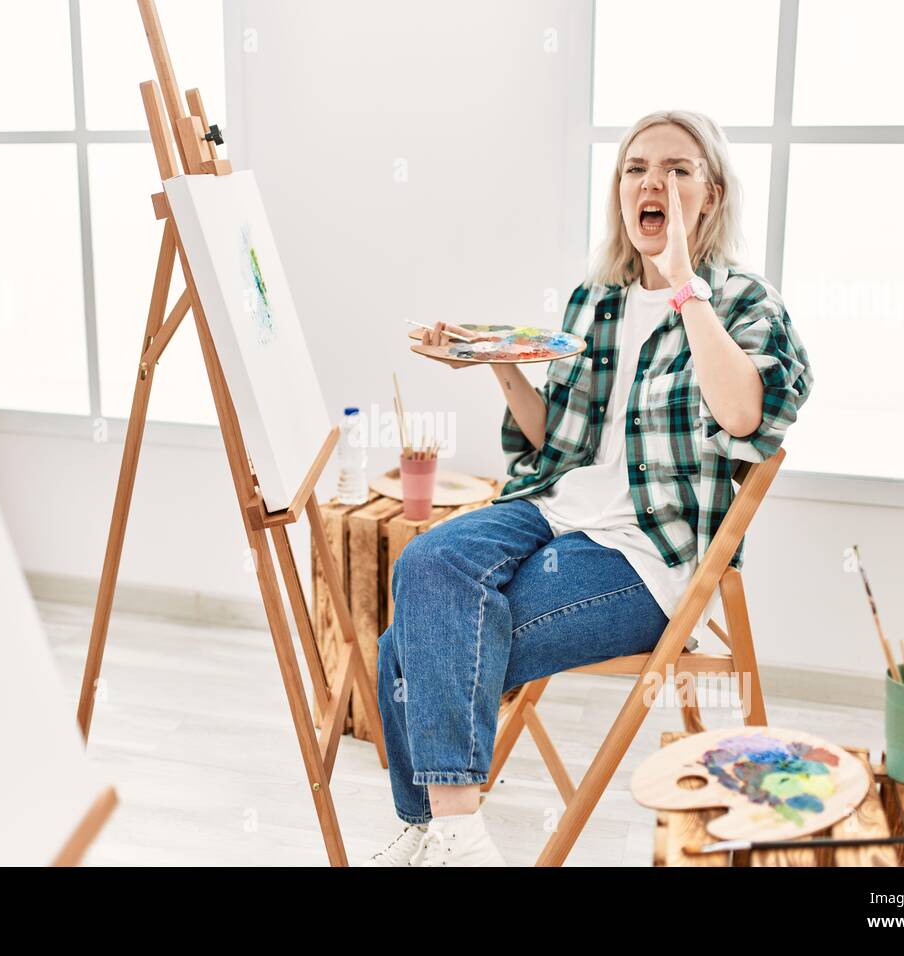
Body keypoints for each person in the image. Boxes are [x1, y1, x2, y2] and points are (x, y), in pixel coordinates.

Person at [364, 110, 814, 866]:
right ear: (619, 189)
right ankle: (449, 834)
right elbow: (558, 444)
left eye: (677, 169)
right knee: (425, 567)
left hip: (648, 552)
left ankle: (442, 835)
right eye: (637, 167)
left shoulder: (743, 304)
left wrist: (683, 288)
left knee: (406, 646)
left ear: (710, 195)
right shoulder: (594, 300)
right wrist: (497, 365)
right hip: (554, 509)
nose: (654, 182)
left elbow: (743, 414)